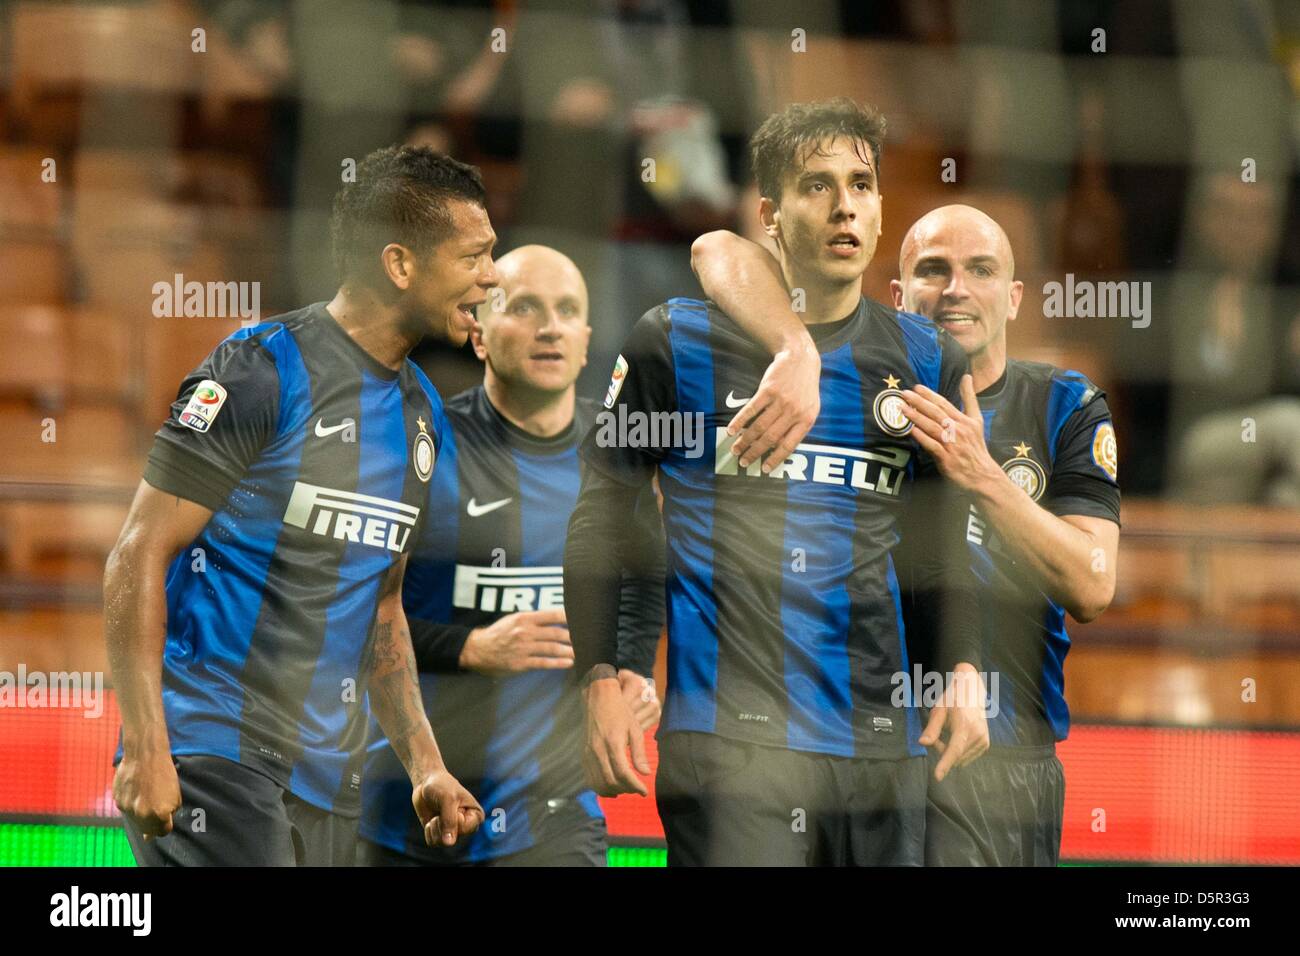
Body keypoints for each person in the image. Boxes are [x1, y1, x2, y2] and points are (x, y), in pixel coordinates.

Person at [564, 98, 987, 867]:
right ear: (770, 212)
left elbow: (937, 546)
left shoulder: (925, 361)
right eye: (816, 186)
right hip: (729, 747)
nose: (844, 206)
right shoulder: (676, 341)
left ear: (882, 208)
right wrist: (599, 672)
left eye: (861, 184)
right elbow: (605, 513)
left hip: (880, 747)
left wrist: (960, 665)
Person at [690, 203, 1122, 865]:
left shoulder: (1063, 405)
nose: (956, 288)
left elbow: (1093, 584)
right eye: (933, 270)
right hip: (863, 754)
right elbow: (721, 248)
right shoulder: (839, 387)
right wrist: (794, 346)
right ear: (896, 294)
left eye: (980, 270)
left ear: (1012, 298)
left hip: (1001, 762)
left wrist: (981, 474)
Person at [106, 146, 493, 865]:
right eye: (474, 257)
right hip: (213, 752)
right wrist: (147, 749)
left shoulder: (422, 414)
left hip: (325, 784)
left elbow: (382, 607)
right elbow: (137, 551)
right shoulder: (260, 368)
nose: (491, 277)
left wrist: (426, 764)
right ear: (401, 265)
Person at [359, 245, 664, 866]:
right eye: (523, 307)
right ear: (479, 334)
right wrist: (470, 650)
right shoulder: (425, 447)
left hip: (552, 814)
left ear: (585, 341)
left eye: (567, 311)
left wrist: (630, 667)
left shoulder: (616, 462)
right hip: (411, 808)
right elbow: (356, 611)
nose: (549, 326)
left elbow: (642, 580)